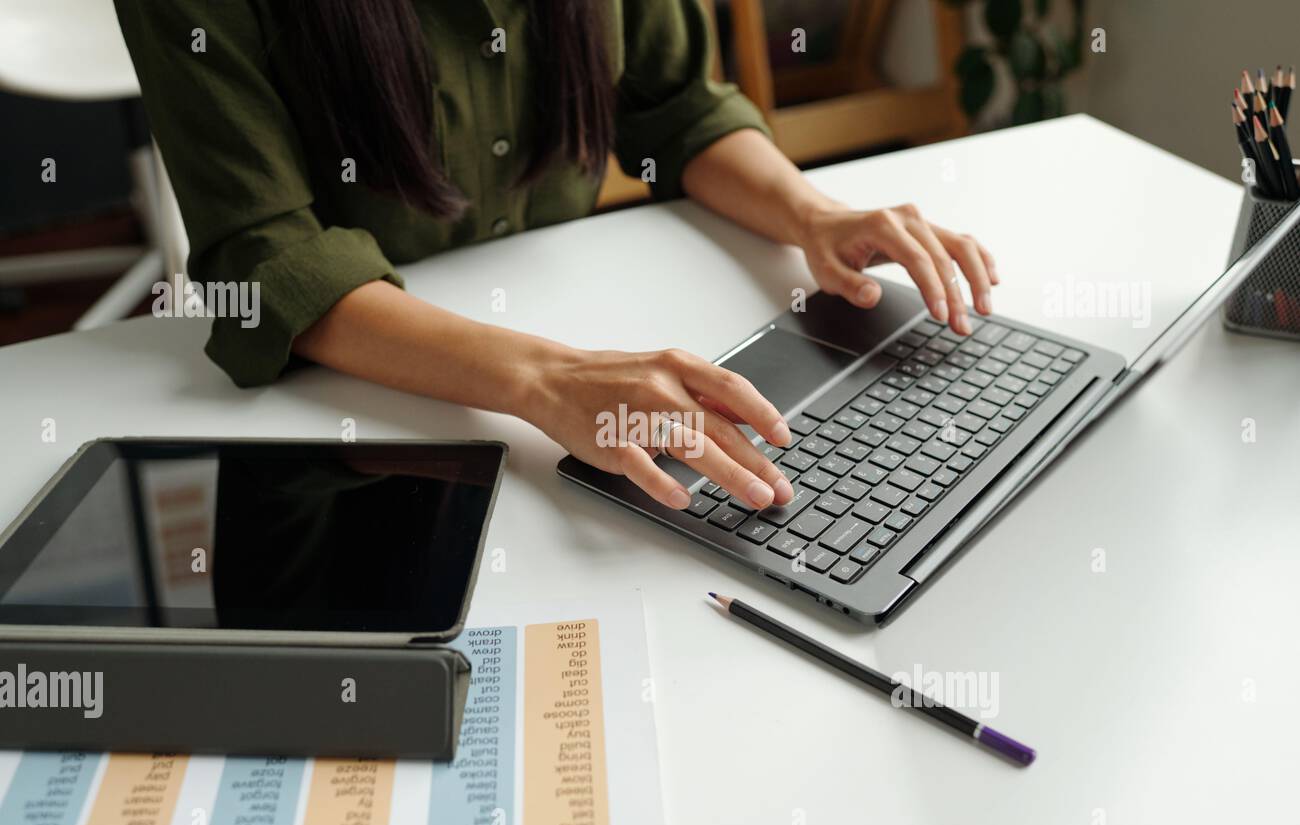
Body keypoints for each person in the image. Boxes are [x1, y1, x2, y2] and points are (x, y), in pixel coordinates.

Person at [115, 0, 997, 514]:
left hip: (569, 347)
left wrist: (812, 214)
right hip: (353, 427)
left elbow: (679, 105)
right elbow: (268, 265)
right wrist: (547, 380)